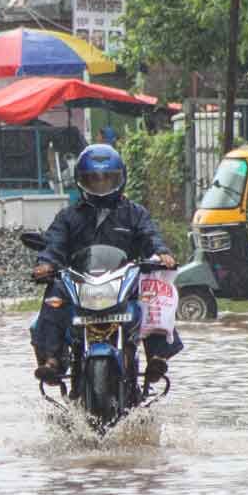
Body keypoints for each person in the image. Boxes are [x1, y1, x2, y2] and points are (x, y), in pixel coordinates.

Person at [30, 144, 182, 386]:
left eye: (107, 180)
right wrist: (46, 264)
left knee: (153, 294)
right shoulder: (69, 216)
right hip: (80, 284)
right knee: (53, 295)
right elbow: (54, 244)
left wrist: (161, 253)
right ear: (81, 181)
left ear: (120, 180)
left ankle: (157, 356)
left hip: (124, 282)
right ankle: (52, 360)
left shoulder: (134, 213)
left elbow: (149, 236)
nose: (101, 186)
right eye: (94, 180)